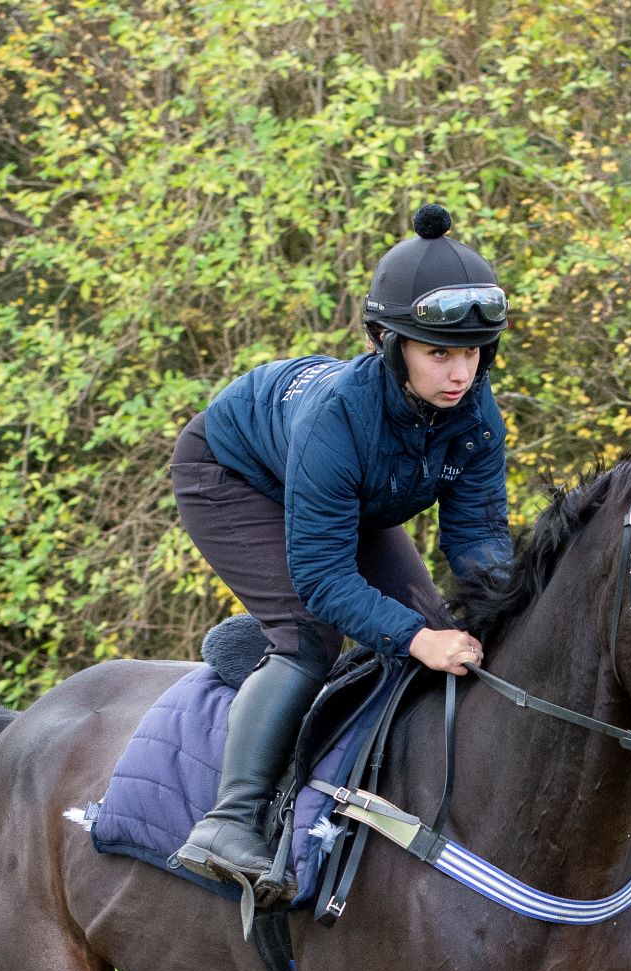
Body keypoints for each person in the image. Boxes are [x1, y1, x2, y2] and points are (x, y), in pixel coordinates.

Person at [167, 203, 508, 900]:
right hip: (231, 476)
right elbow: (322, 577)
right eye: (438, 352)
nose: (459, 373)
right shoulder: (337, 418)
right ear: (389, 343)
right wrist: (417, 638)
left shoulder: (476, 420)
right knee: (311, 635)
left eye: (471, 353)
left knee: (436, 627)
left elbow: (476, 541)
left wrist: (501, 618)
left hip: (354, 497)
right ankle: (228, 822)